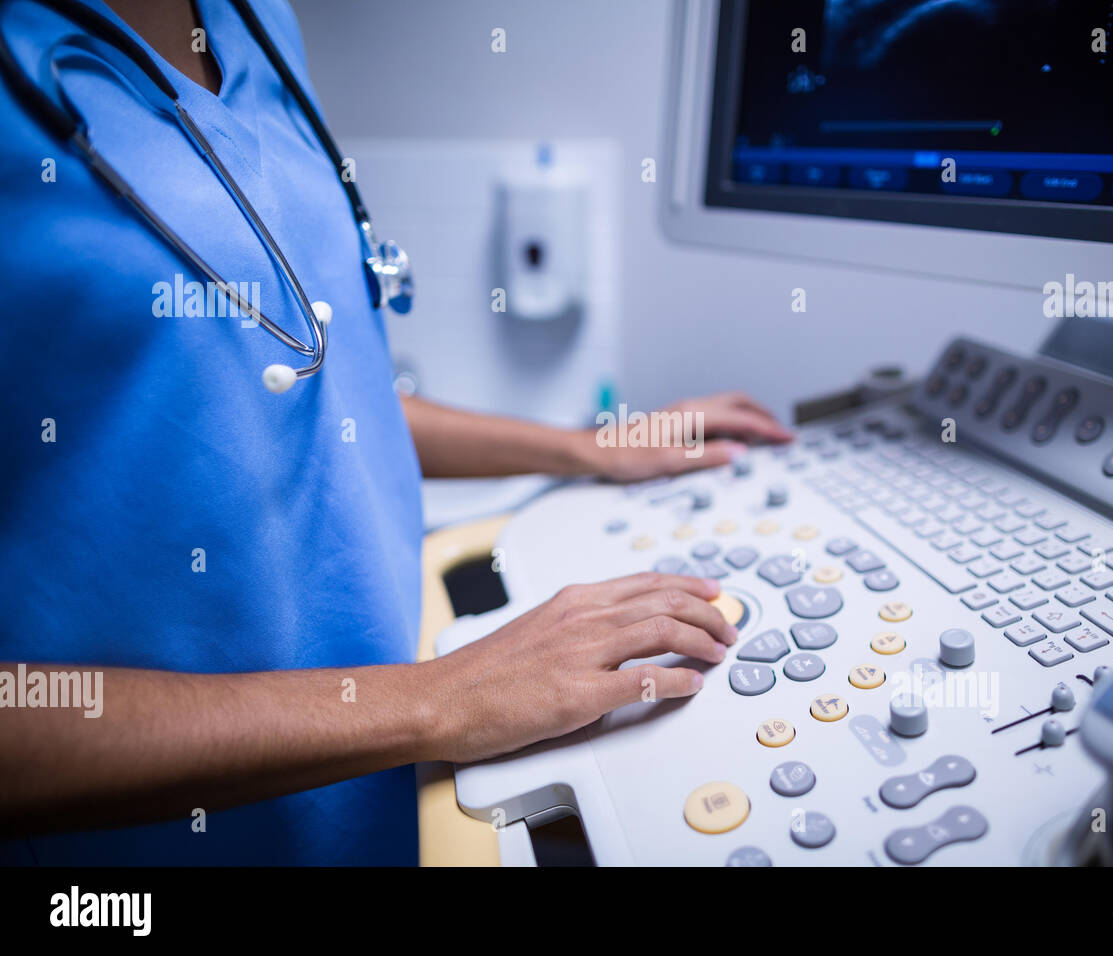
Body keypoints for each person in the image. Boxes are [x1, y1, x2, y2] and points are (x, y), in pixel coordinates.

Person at [0, 0, 792, 865]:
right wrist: (439, 700)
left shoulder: (255, 23)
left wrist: (581, 446)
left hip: (376, 797)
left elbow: (306, 392)